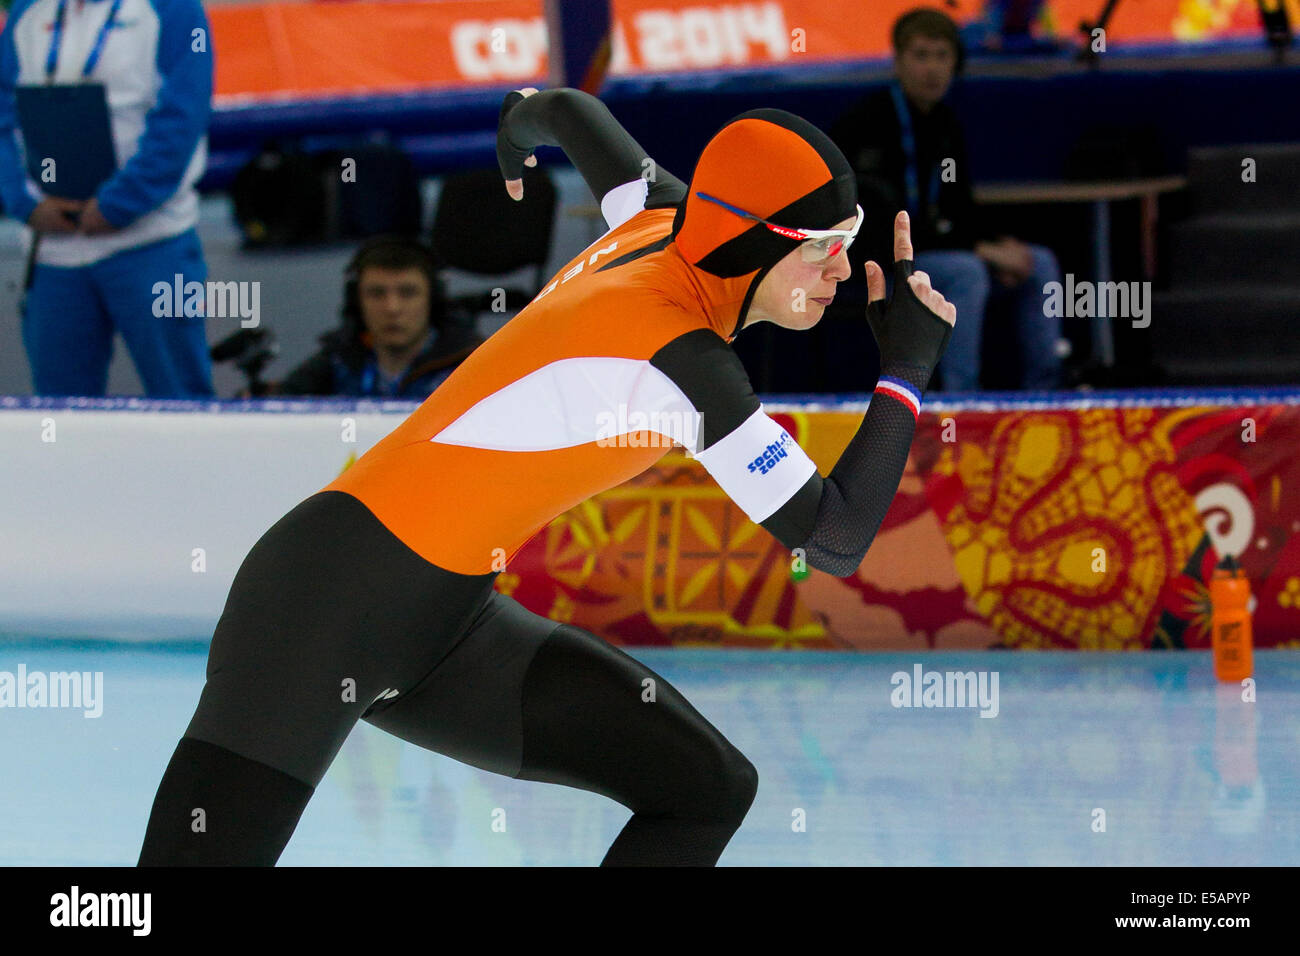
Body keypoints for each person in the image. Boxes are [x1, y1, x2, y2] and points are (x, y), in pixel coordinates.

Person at [138, 85, 955, 867]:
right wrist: (907, 370)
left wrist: (520, 127)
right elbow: (836, 540)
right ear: (752, 240)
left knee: (705, 790)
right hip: (323, 605)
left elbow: (571, 112)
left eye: (845, 247)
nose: (841, 275)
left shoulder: (662, 215)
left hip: (446, 625)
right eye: (822, 250)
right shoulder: (683, 361)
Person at [829, 6, 1063, 391]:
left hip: (942, 250)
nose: (932, 69)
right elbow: (882, 223)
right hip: (884, 262)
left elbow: (959, 206)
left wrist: (996, 245)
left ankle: (1045, 395)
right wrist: (981, 252)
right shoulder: (867, 123)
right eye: (921, 55)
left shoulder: (946, 124)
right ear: (898, 61)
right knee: (967, 272)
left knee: (1038, 263)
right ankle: (963, 399)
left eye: (942, 56)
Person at [0, 0, 215, 397]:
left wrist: (119, 205)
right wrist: (24, 203)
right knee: (59, 417)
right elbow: (3, 115)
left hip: (150, 241)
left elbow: (183, 114)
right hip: (53, 250)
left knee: (183, 403)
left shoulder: (175, 10)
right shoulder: (28, 11)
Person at [270, 236, 483, 400]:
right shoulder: (338, 360)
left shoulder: (473, 366)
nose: (392, 308)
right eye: (376, 293)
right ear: (356, 300)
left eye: (408, 293)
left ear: (433, 299)